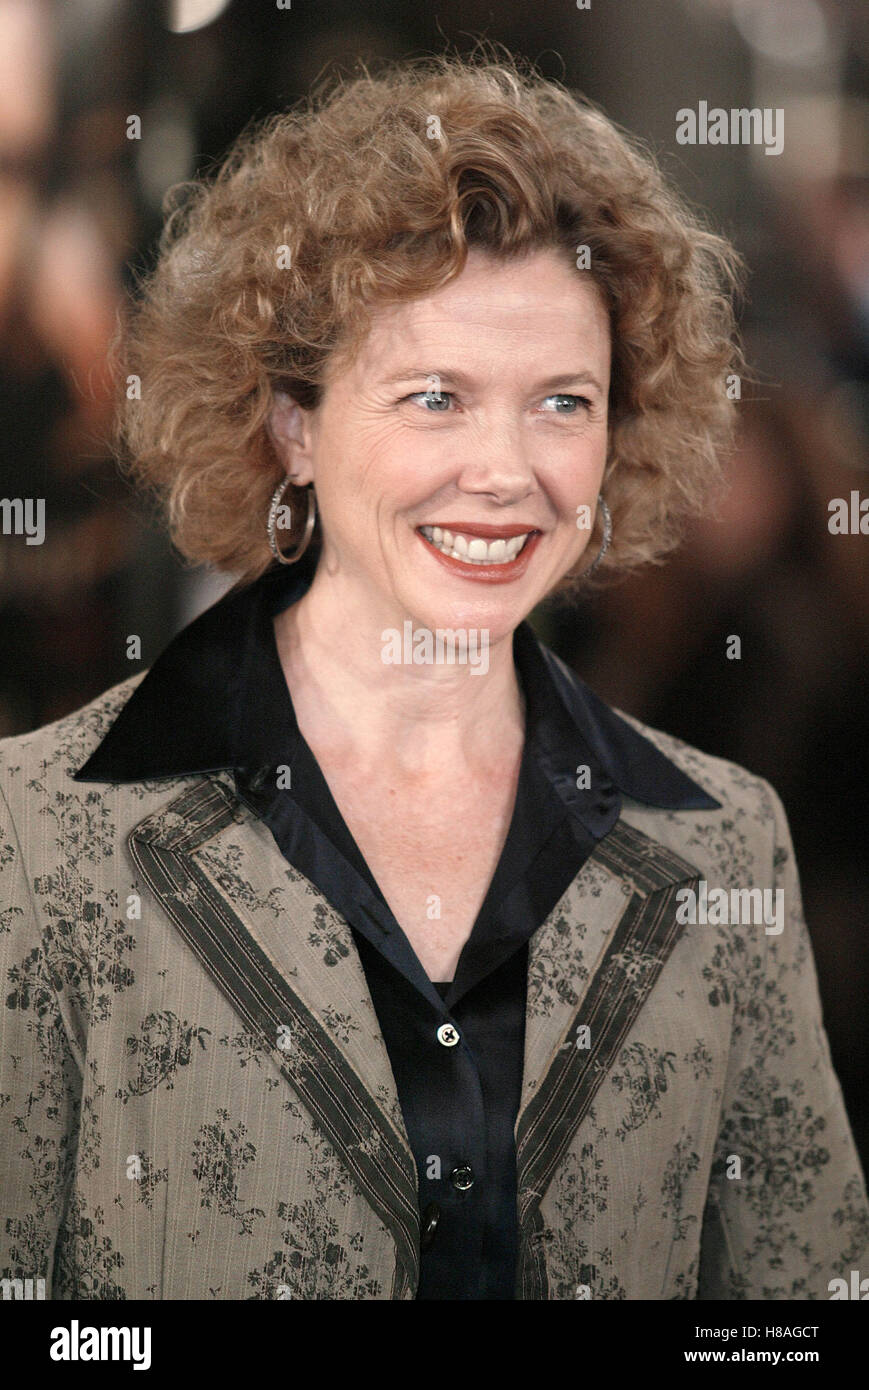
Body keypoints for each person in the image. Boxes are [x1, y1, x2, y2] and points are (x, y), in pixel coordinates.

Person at [1, 51, 866, 1301]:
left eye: (562, 403)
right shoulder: (44, 835)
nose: (506, 471)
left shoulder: (723, 846)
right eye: (435, 396)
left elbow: (798, 1316)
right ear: (290, 420)